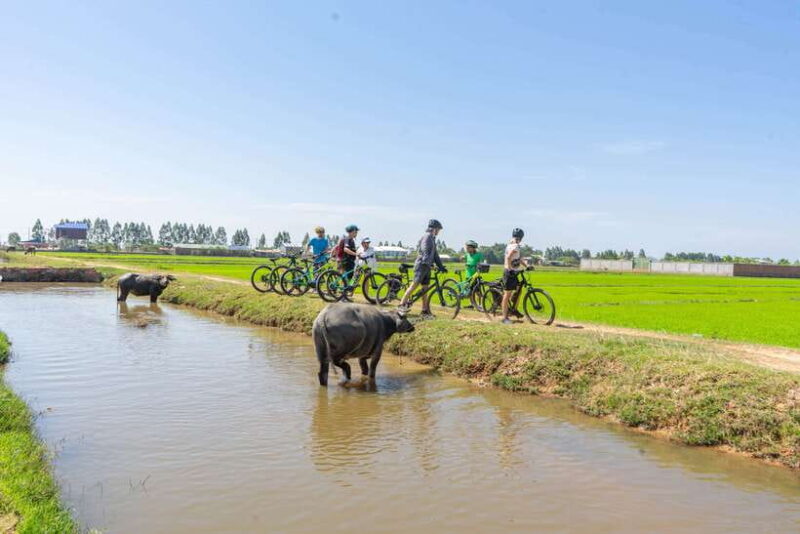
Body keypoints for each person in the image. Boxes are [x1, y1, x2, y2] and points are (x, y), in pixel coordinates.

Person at [399, 219, 446, 319]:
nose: (438, 231)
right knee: (414, 285)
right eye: (438, 229)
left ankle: (424, 310)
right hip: (421, 265)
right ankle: (401, 305)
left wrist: (441, 266)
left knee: (425, 289)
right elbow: (425, 250)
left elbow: (435, 255)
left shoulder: (432, 238)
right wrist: (427, 261)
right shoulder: (427, 237)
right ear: (434, 228)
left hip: (427, 266)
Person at [502, 228, 528, 324]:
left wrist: (527, 266)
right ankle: (504, 318)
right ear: (521, 238)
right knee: (507, 295)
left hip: (513, 272)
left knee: (518, 289)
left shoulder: (511, 244)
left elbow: (519, 258)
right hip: (510, 272)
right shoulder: (515, 246)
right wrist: (509, 269)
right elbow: (509, 257)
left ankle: (514, 309)